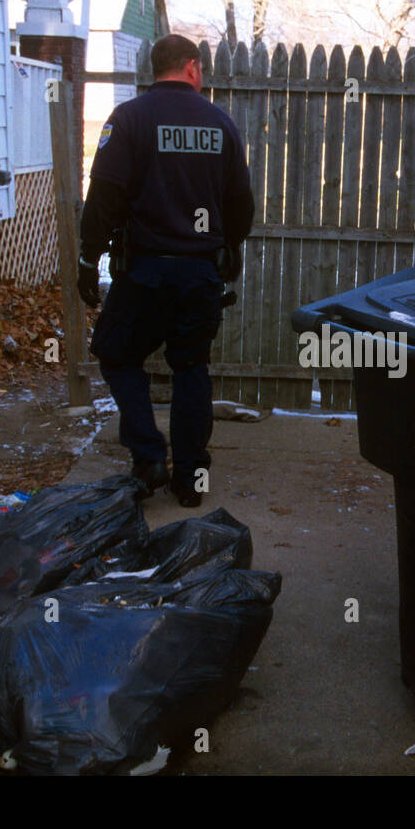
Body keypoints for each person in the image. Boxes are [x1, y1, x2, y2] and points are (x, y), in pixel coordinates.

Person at [76, 33, 254, 507]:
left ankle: (149, 456)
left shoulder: (130, 119)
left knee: (116, 353)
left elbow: (104, 199)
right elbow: (240, 202)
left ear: (154, 69)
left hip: (145, 272)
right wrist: (229, 246)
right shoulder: (221, 124)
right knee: (191, 365)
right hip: (199, 275)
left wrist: (88, 259)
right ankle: (191, 478)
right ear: (192, 67)